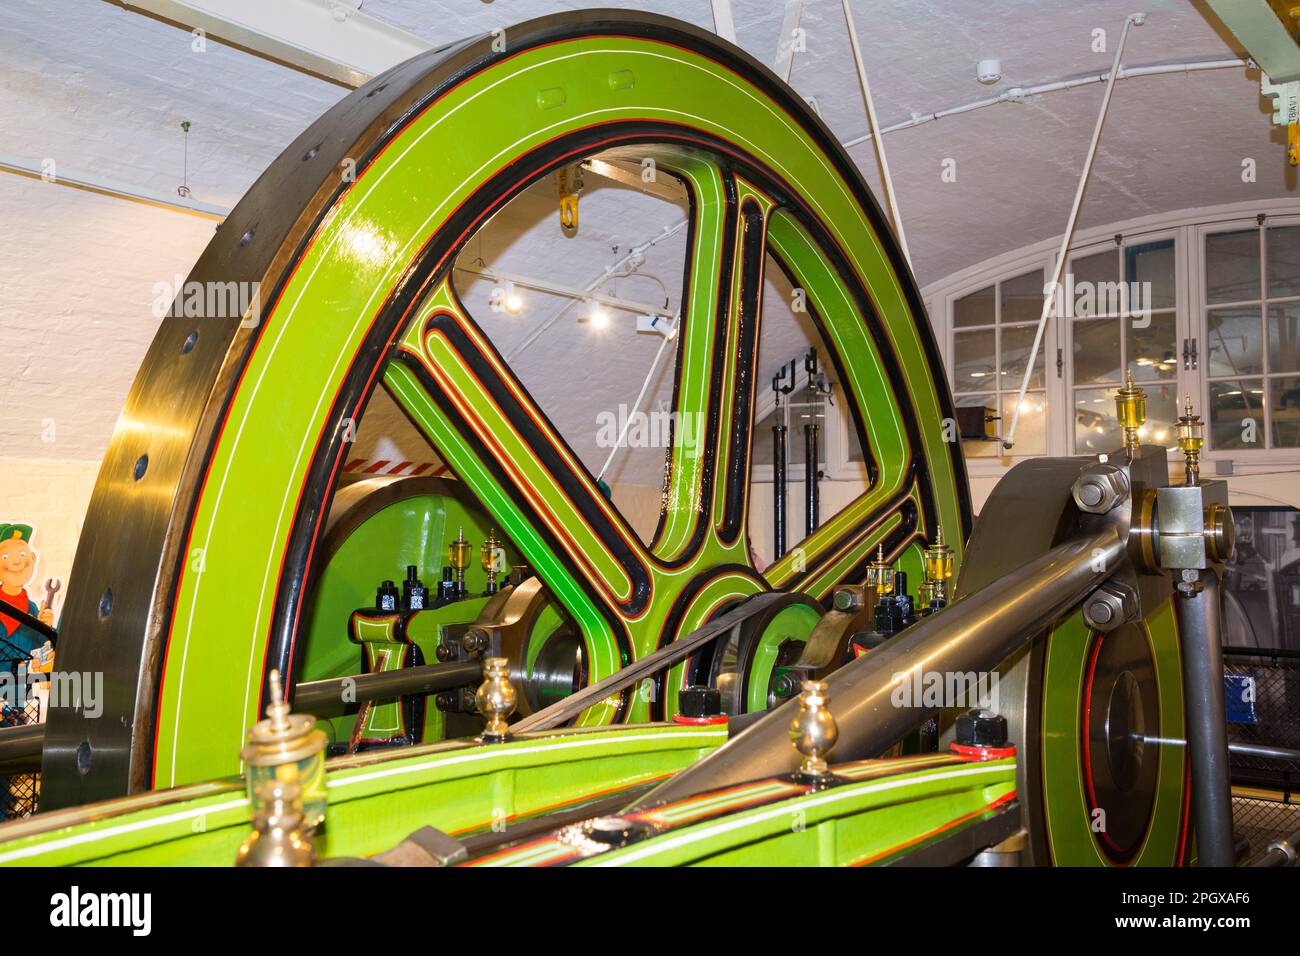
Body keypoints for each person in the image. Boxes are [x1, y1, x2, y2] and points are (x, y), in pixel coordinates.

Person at [0, 524, 54, 677]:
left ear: (32, 558)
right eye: (5, 557)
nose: (16, 562)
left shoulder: (30, 608)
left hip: (19, 681)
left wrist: (45, 627)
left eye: (22, 553)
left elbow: (37, 645)